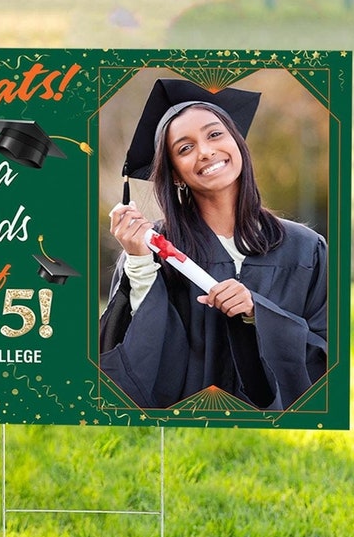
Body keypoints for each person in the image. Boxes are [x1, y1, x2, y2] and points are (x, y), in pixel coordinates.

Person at [100, 78, 327, 411]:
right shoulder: (151, 251)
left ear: (238, 144)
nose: (205, 151)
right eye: (185, 148)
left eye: (215, 134)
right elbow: (132, 361)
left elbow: (326, 353)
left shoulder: (304, 248)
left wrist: (257, 312)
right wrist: (140, 264)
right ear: (175, 173)